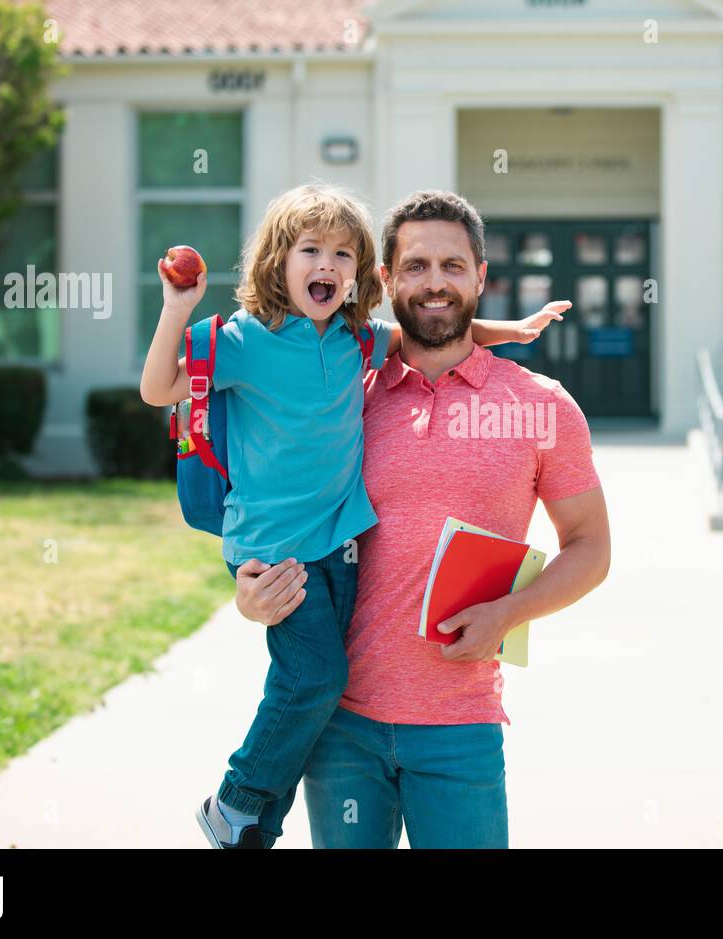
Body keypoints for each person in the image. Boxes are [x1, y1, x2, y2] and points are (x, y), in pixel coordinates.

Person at [139, 183, 564, 848]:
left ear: (361, 274)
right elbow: (159, 387)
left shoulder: (356, 342)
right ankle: (236, 800)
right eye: (310, 250)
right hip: (276, 549)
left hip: (337, 546)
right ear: (278, 260)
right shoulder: (246, 339)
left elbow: (431, 330)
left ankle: (255, 821)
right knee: (316, 677)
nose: (326, 266)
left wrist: (508, 331)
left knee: (310, 684)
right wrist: (176, 307)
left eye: (342, 253)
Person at [234, 189, 611, 848]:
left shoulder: (539, 406)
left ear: (481, 276)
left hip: (460, 726)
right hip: (340, 729)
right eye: (415, 266)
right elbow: (271, 502)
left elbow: (590, 548)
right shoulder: (340, 393)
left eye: (452, 266)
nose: (434, 283)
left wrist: (506, 613)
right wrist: (252, 593)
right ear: (384, 279)